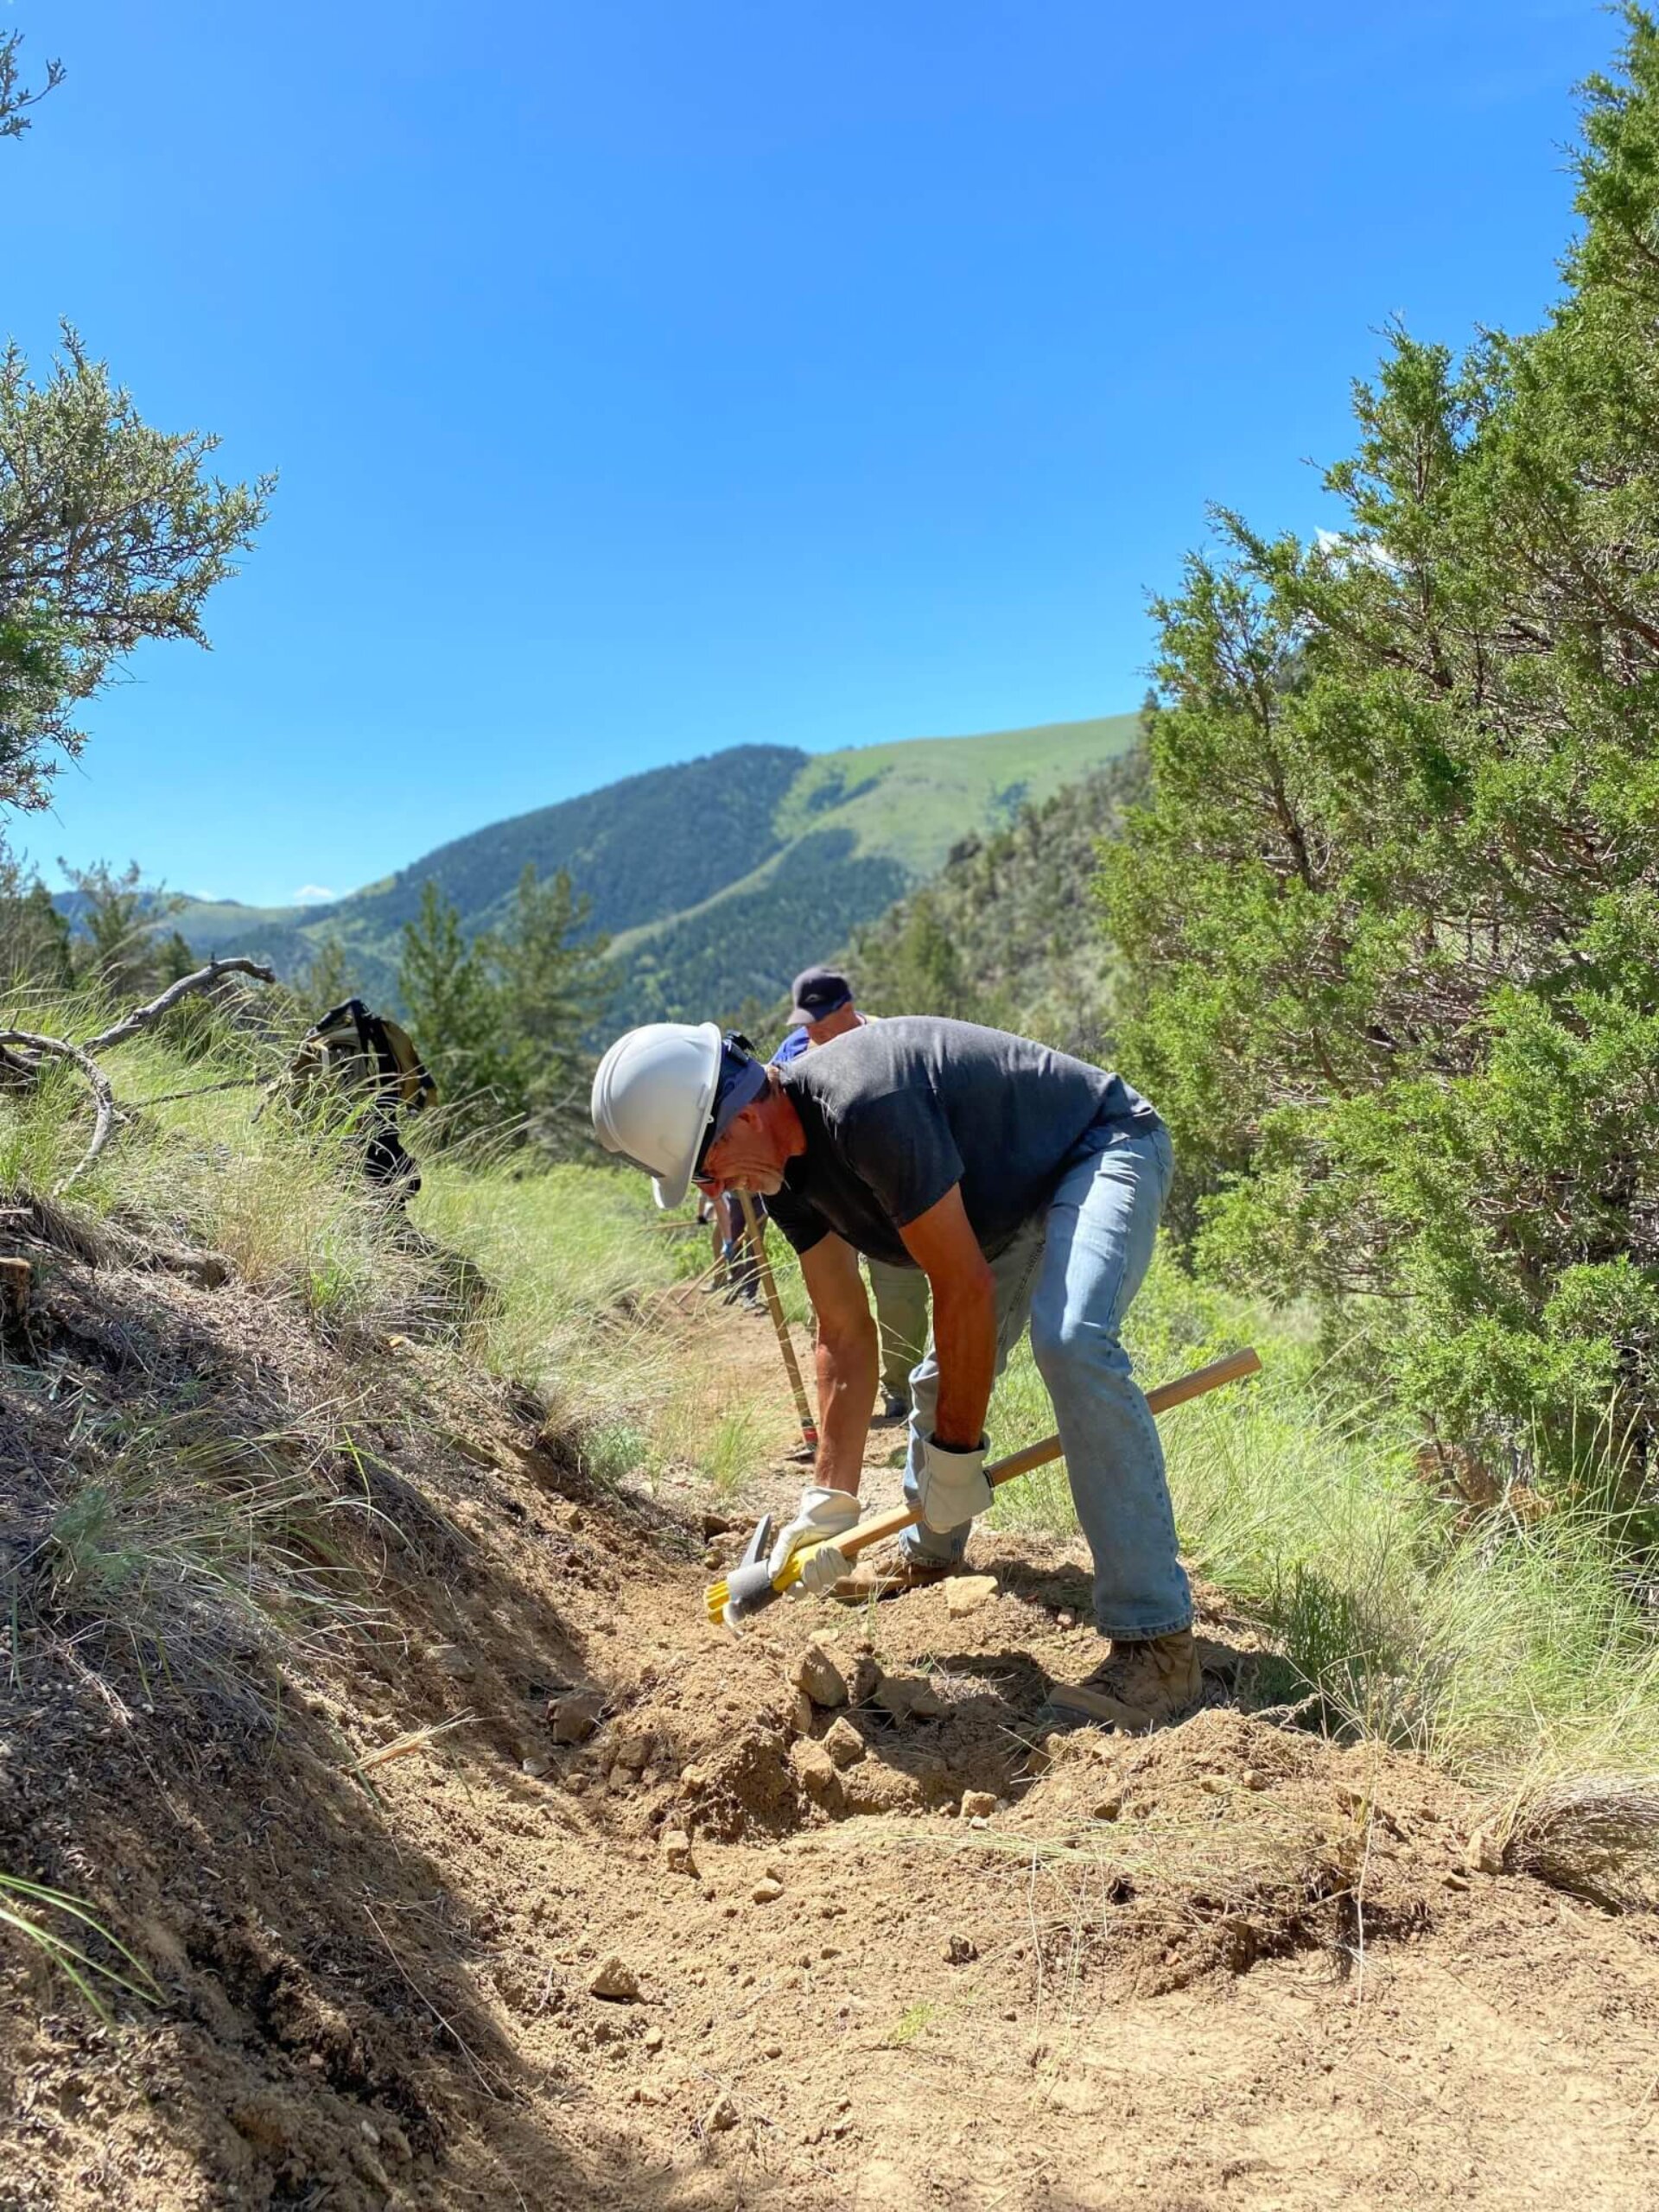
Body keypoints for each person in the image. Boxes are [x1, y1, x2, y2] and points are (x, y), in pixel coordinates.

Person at [589, 1015, 1198, 1728]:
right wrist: (828, 1505)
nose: (714, 1188)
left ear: (740, 1115)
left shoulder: (866, 1105)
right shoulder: (783, 1176)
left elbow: (963, 1287)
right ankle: (931, 1552)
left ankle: (1158, 1642)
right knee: (945, 1387)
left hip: (1099, 1145)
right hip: (1008, 1200)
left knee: (1072, 1342)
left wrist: (957, 1455)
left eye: (704, 1168)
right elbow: (844, 1333)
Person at [771, 966, 931, 1424]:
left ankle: (901, 1388)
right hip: (824, 1194)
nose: (810, 1028)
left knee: (900, 1292)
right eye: (804, 1019)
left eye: (819, 1018)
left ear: (847, 1008)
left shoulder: (889, 1040)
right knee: (836, 1303)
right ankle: (843, 1397)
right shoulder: (793, 1052)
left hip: (885, 1190)